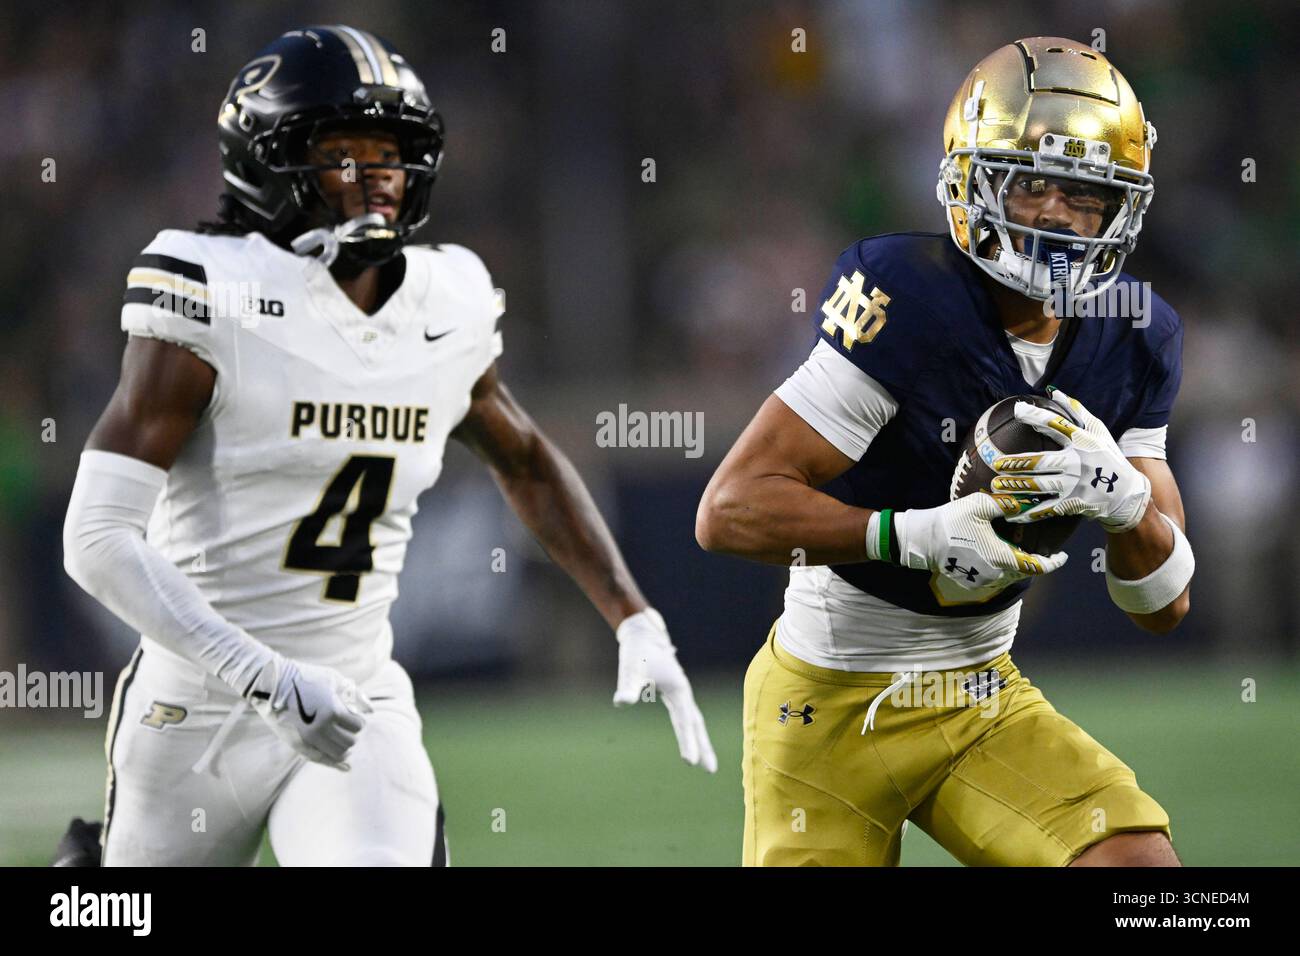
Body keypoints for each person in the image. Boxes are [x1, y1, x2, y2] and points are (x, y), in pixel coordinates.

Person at [62, 24, 715, 867]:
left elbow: (523, 457)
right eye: (344, 156)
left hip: (353, 697)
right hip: (195, 707)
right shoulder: (208, 292)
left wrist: (635, 619)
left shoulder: (447, 301)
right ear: (270, 162)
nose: (376, 184)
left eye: (392, 156)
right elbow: (96, 538)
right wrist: (265, 675)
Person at [696, 37, 1192, 867]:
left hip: (980, 696)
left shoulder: (1137, 334)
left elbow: (1163, 608)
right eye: (1032, 184)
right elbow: (729, 510)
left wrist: (1128, 504)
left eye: (1084, 194)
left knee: (1141, 876)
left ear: (1122, 209)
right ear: (974, 180)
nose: (1058, 215)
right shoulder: (911, 299)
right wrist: (908, 534)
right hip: (826, 702)